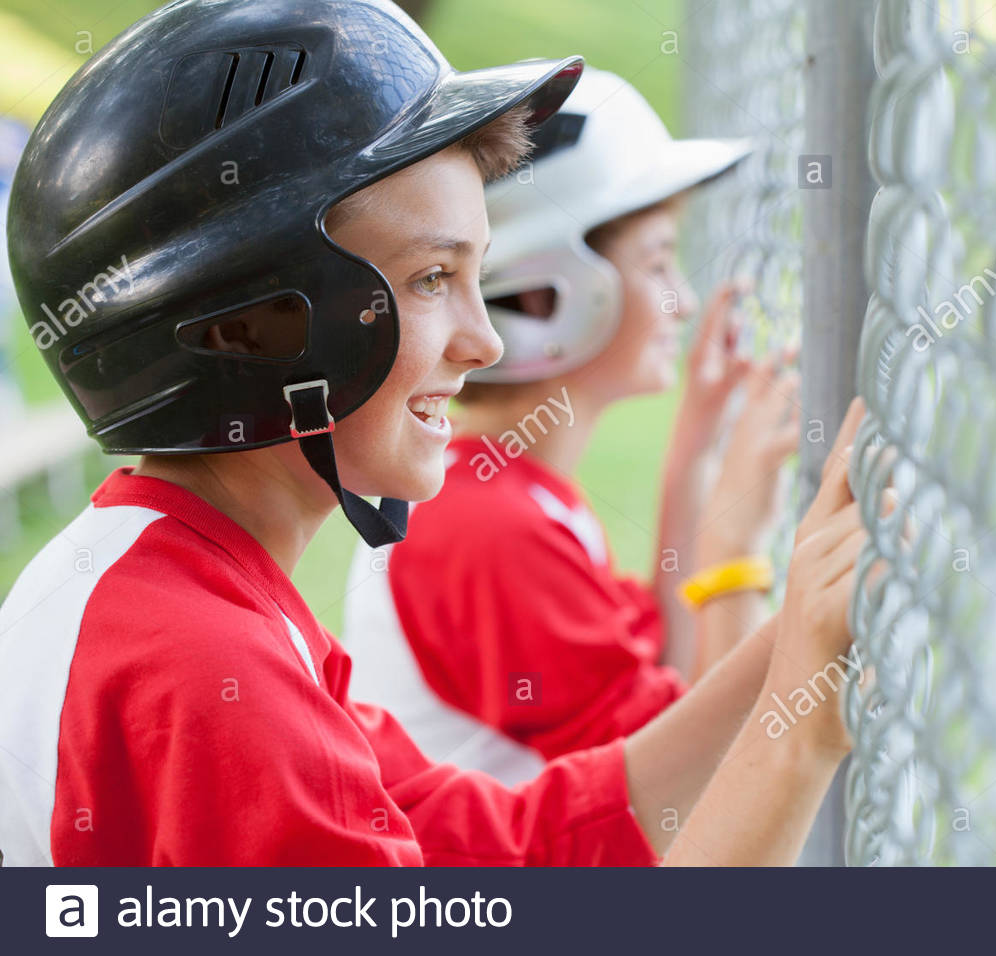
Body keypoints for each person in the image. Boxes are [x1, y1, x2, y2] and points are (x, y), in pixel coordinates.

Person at [0, 0, 879, 867]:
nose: (486, 340)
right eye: (430, 279)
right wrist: (801, 731)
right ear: (252, 328)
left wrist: (792, 640)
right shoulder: (207, 673)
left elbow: (532, 844)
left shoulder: (188, 601)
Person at [343, 68, 801, 783]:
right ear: (544, 290)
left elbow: (667, 683)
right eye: (657, 264)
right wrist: (734, 548)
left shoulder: (509, 494)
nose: (682, 301)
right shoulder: (488, 529)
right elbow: (697, 791)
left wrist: (693, 458)